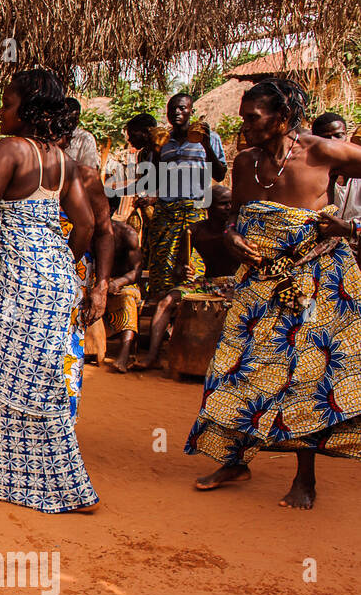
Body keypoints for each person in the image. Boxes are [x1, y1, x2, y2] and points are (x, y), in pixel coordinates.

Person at [186, 77, 361, 510]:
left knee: (303, 376)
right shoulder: (245, 162)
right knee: (237, 367)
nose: (245, 127)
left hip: (315, 279)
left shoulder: (322, 151)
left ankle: (305, 479)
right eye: (243, 118)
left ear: (282, 118)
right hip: (259, 283)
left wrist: (351, 228)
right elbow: (236, 218)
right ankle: (233, 459)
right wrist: (230, 237)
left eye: (253, 118)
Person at [0, 68, 98, 513]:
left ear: (27, 109)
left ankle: (66, 488)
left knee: (6, 377)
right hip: (56, 277)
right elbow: (85, 225)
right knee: (35, 378)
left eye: (8, 103)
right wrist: (59, 262)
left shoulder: (11, 150)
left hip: (18, 277)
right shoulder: (63, 160)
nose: (2, 111)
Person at [136, 184, 240, 370]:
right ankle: (153, 355)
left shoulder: (238, 231)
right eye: (224, 204)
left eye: (231, 204)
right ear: (208, 206)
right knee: (165, 302)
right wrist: (184, 271)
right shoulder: (194, 231)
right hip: (207, 283)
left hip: (236, 284)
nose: (229, 208)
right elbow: (178, 268)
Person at [57, 98, 113, 403]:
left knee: (66, 346)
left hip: (73, 273)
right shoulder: (19, 171)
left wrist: (101, 286)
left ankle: (60, 427)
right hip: (25, 278)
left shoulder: (87, 179)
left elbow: (103, 232)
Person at [144, 92, 227, 301]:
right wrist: (155, 150)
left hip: (195, 211)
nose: (177, 112)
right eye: (173, 109)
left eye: (182, 108)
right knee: (162, 264)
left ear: (192, 111)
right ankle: (161, 313)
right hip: (167, 211)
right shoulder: (164, 141)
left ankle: (187, 315)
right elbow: (153, 180)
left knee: (192, 265)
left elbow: (220, 173)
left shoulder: (210, 138)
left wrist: (206, 144)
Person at [101, 212, 143, 373]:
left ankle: (123, 355)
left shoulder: (128, 234)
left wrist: (118, 283)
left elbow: (136, 271)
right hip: (97, 280)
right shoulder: (87, 227)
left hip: (124, 282)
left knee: (128, 298)